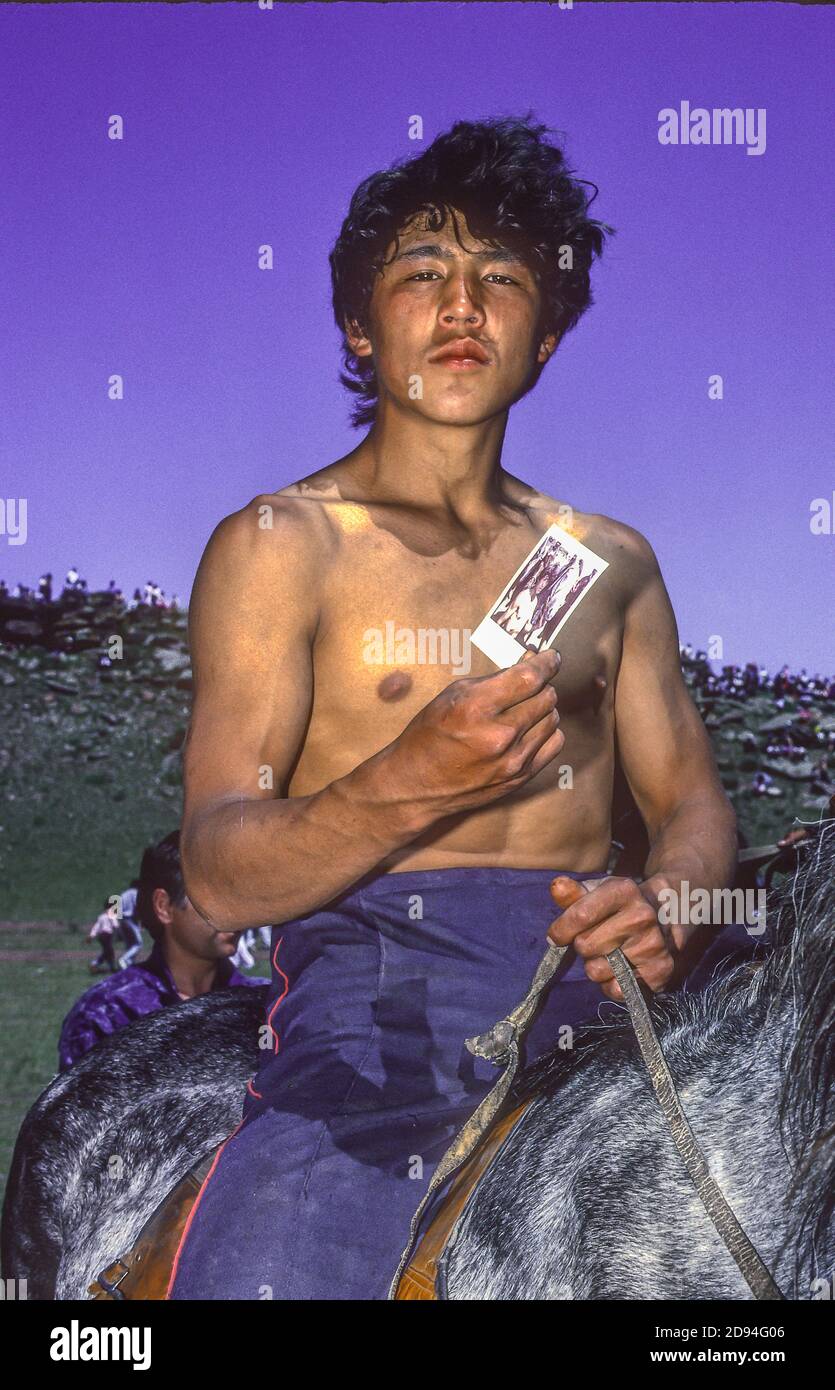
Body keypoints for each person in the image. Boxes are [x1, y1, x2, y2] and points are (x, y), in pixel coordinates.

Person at [168, 116, 743, 1302]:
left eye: (504, 277)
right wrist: (410, 779)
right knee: (276, 1260)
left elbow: (688, 798)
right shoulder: (280, 547)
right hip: (374, 1026)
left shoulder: (609, 562)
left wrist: (669, 912)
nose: (463, 303)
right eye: (422, 273)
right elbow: (219, 871)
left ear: (544, 337)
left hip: (610, 1012)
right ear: (359, 326)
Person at [57, 831, 262, 1072]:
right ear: (164, 906)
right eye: (216, 897)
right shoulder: (107, 1014)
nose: (236, 912)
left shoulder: (263, 1005)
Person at [116, 878, 144, 969]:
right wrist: (140, 922)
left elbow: (118, 910)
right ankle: (124, 959)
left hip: (122, 920)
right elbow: (138, 907)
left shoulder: (123, 894)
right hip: (131, 920)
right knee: (138, 943)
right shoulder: (135, 893)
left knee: (129, 944)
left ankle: (129, 964)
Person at [87, 898, 119, 974]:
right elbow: (116, 925)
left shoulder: (101, 916)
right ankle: (94, 964)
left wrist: (91, 935)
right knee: (108, 952)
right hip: (107, 935)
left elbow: (96, 927)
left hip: (101, 936)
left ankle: (112, 967)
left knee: (109, 951)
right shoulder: (112, 915)